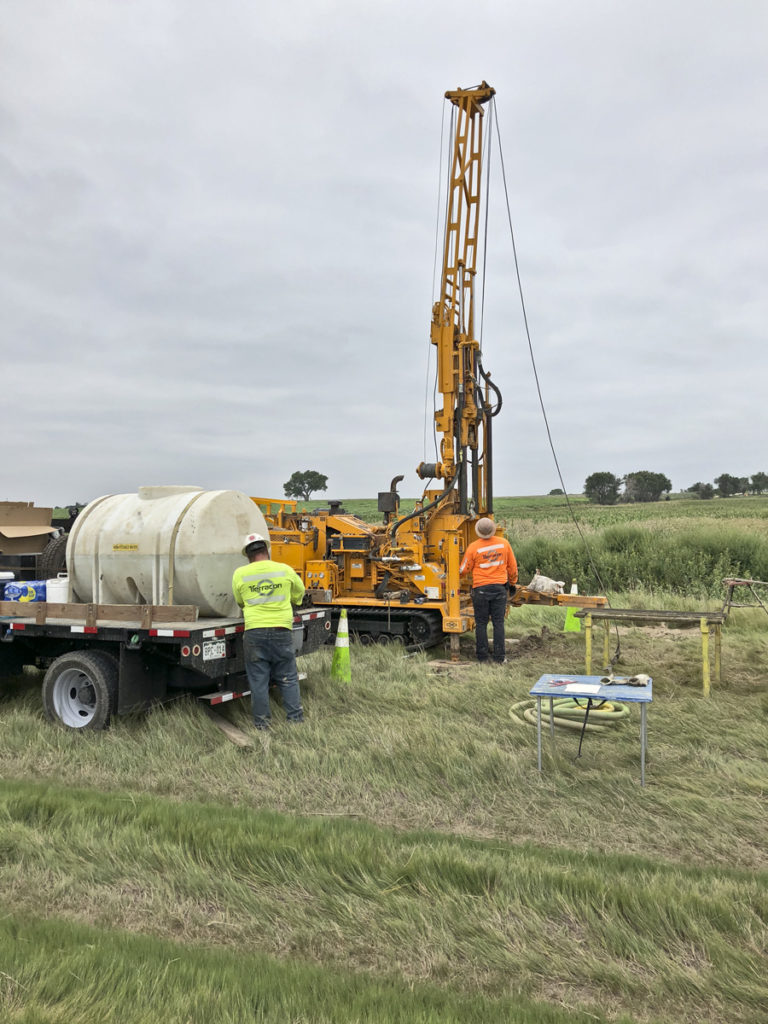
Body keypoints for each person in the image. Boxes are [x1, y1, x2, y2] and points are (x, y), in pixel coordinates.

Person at [232, 532, 306, 729]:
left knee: (258, 682)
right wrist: (293, 600)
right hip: (281, 630)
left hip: (254, 632)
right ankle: (295, 721)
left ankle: (263, 725)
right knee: (288, 678)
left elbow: (240, 601)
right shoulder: (285, 570)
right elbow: (300, 592)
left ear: (248, 556)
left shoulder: (240, 574)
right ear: (267, 550)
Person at [459, 517, 518, 664]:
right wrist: (512, 583)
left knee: (481, 623)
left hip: (480, 590)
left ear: (478, 531)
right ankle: (499, 657)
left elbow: (463, 569)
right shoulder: (504, 544)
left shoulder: (473, 547)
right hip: (500, 588)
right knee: (498, 623)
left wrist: (455, 577)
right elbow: (512, 567)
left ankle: (482, 657)